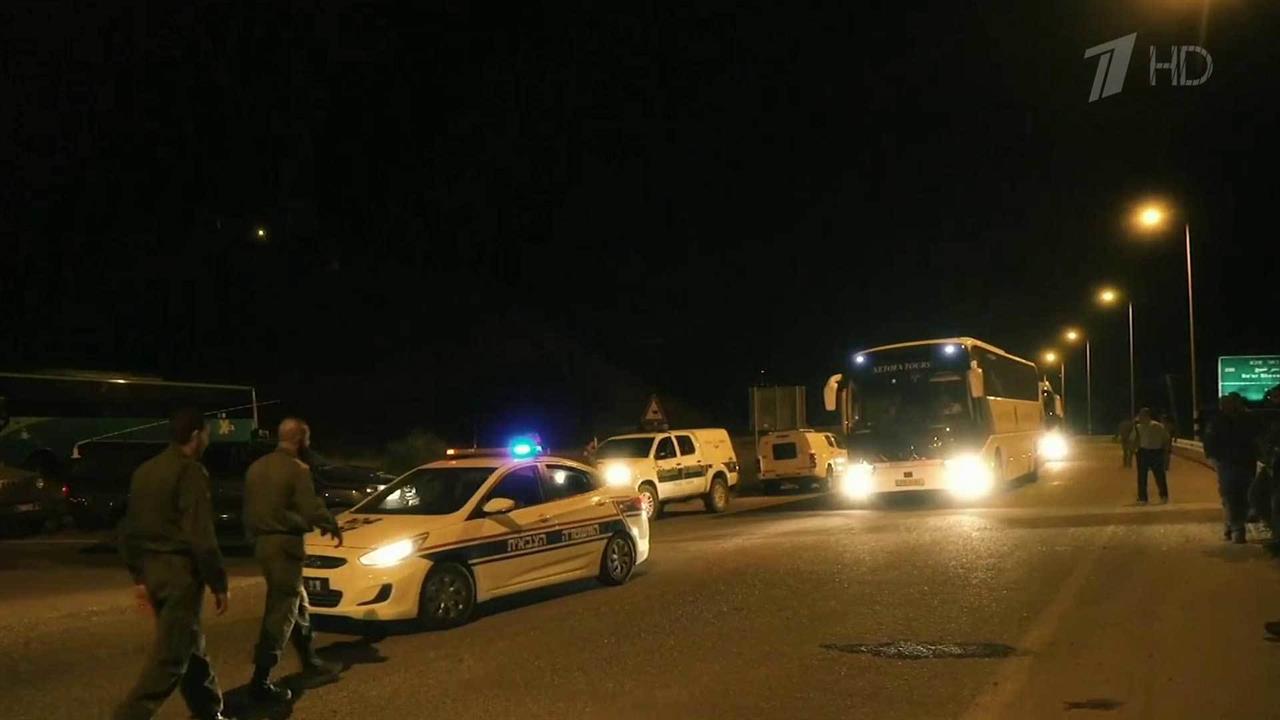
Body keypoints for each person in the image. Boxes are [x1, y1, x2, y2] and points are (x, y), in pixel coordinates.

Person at [114, 408, 235, 720]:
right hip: (180, 576)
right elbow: (201, 535)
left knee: (189, 644)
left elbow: (128, 530)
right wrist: (219, 583)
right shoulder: (190, 471)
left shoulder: (145, 471)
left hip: (153, 573)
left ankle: (209, 711)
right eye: (207, 434)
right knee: (169, 661)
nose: (208, 440)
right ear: (195, 435)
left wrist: (139, 577)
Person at [242, 418, 344, 704]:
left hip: (262, 544)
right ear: (300, 439)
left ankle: (310, 660)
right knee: (282, 610)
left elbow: (248, 510)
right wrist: (331, 524)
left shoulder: (256, 467)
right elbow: (311, 508)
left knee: (298, 603)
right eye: (307, 439)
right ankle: (261, 680)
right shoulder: (297, 469)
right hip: (284, 546)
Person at [1204, 393, 1258, 544]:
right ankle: (1237, 527)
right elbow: (1210, 441)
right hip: (1227, 462)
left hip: (1245, 463)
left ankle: (1232, 524)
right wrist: (1213, 458)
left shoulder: (1248, 420)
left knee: (1240, 494)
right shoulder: (1218, 421)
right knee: (1231, 494)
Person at [1129, 408, 1171, 505]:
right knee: (1157, 475)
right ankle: (1162, 496)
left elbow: (1132, 440)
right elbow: (1166, 438)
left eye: (1141, 415)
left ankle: (1144, 498)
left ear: (1146, 416)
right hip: (1153, 452)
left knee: (1146, 476)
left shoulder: (1141, 427)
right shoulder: (1157, 426)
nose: (1140, 418)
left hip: (1148, 452)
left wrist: (1133, 450)